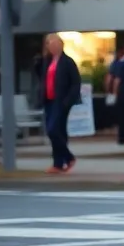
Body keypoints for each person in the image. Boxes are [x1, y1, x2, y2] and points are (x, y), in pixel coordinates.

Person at [37, 34, 81, 174]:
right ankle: (58, 163)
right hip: (49, 100)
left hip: (61, 101)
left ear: (61, 45)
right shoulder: (47, 61)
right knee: (57, 131)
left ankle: (68, 157)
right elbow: (40, 76)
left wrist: (68, 100)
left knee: (53, 129)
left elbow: (75, 83)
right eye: (49, 44)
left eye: (55, 43)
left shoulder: (67, 62)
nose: (52, 46)